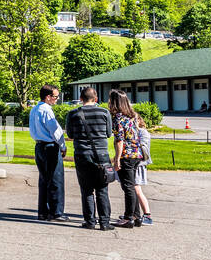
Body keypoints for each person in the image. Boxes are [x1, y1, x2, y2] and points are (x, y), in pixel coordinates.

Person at [65, 86, 114, 230]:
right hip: (101, 155)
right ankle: (105, 222)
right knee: (102, 189)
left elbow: (70, 135)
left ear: (80, 99)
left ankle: (90, 221)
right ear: (96, 98)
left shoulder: (73, 114)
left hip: (82, 154)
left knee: (86, 190)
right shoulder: (105, 113)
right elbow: (109, 133)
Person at [28, 83, 67, 221]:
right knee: (56, 180)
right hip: (50, 146)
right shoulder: (47, 110)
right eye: (55, 97)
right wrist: (63, 146)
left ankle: (43, 211)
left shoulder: (34, 109)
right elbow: (55, 131)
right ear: (48, 97)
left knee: (44, 179)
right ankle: (56, 212)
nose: (57, 99)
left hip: (39, 146)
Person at [109, 89, 142, 227]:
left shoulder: (118, 118)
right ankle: (136, 215)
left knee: (127, 186)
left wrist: (117, 159)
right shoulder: (133, 116)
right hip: (136, 153)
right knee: (132, 185)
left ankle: (129, 218)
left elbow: (119, 140)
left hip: (126, 155)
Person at [133, 115, 153, 224]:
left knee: (137, 190)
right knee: (133, 190)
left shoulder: (143, 132)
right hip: (134, 165)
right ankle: (134, 214)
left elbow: (143, 148)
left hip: (138, 165)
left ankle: (147, 215)